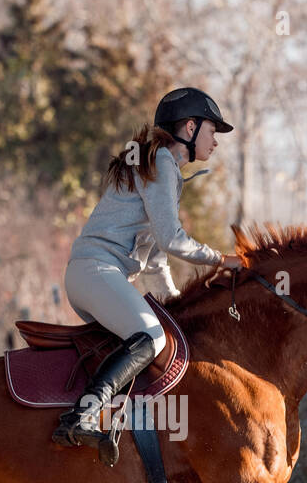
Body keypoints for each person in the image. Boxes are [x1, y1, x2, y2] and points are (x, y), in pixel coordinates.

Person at [51, 87, 243, 460]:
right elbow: (172, 240)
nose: (215, 142)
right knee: (150, 336)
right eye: (212, 131)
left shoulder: (161, 168)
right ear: (190, 127)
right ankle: (84, 414)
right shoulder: (164, 166)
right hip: (96, 273)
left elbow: (155, 260)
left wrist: (176, 306)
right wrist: (221, 259)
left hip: (95, 277)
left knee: (157, 338)